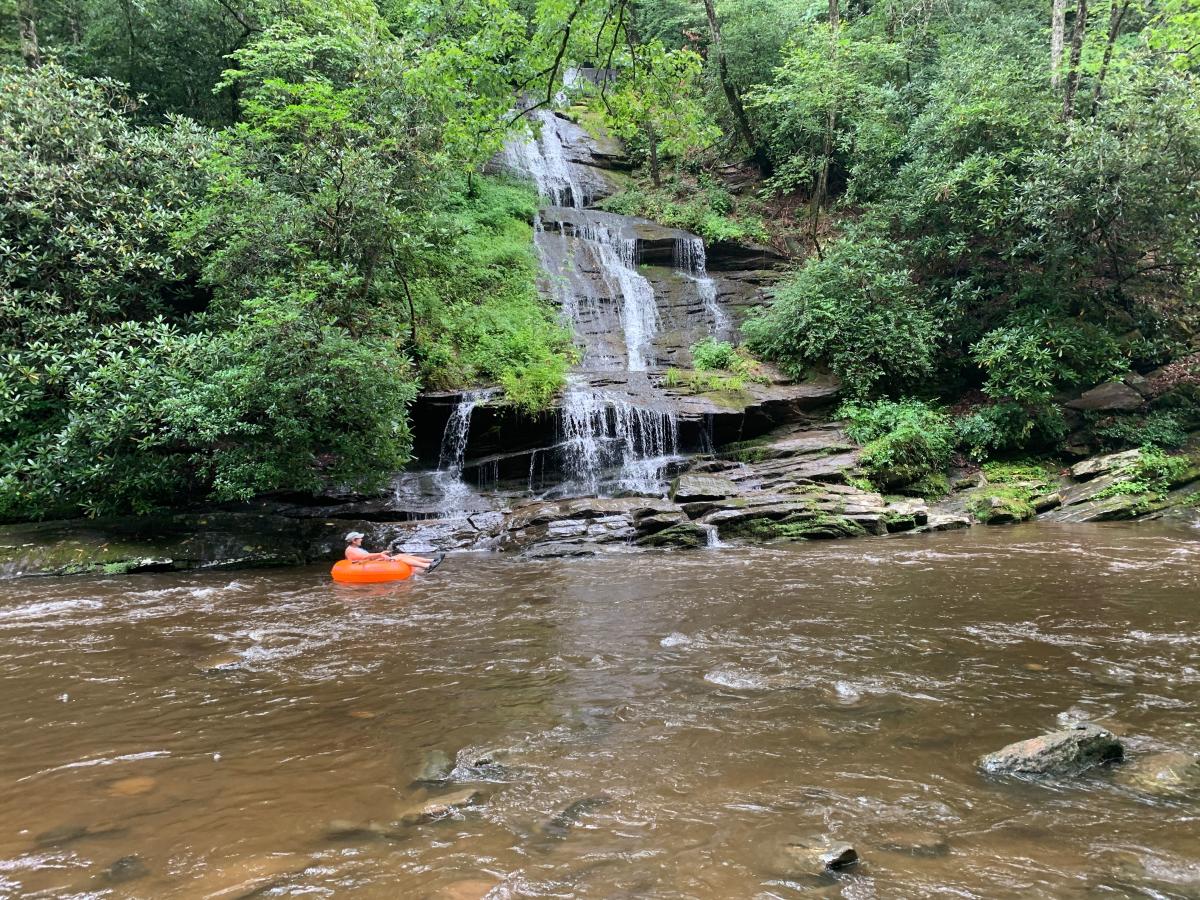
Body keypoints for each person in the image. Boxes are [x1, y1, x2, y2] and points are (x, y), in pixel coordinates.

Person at [344, 532, 444, 573]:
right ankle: (427, 566)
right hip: (364, 568)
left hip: (368, 563)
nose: (361, 540)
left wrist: (381, 554)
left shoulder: (355, 548)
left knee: (401, 555)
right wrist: (380, 554)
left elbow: (367, 557)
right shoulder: (350, 550)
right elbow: (365, 557)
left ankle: (431, 560)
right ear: (354, 540)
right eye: (360, 539)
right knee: (399, 558)